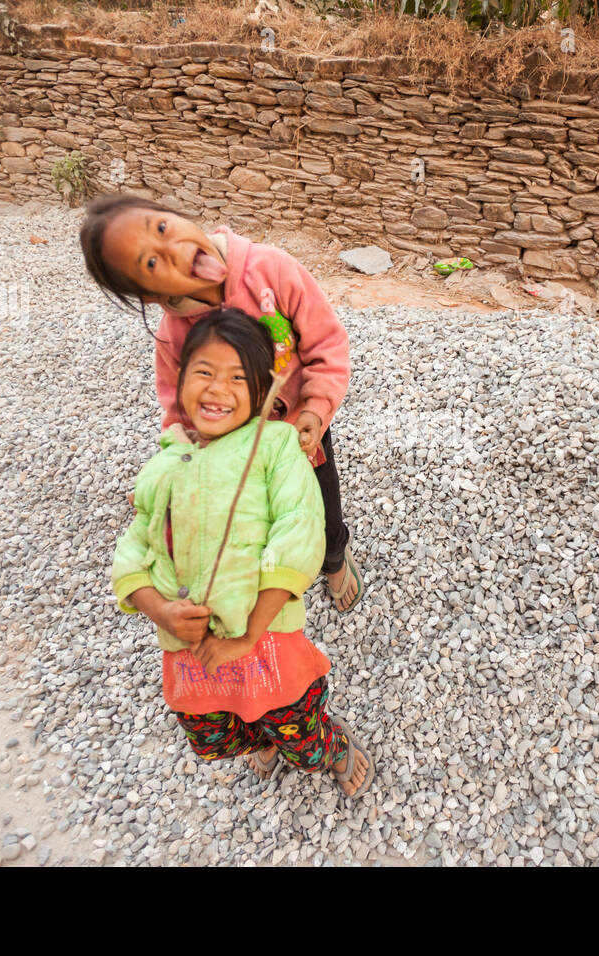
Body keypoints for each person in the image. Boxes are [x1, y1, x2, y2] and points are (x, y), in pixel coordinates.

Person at [111, 308, 373, 795]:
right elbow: (133, 549)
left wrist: (248, 633)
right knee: (218, 734)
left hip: (266, 641)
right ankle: (258, 742)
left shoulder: (275, 446)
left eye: (238, 377)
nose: (217, 388)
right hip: (192, 655)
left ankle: (331, 749)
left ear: (263, 392)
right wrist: (160, 610)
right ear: (180, 379)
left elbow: (299, 531)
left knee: (299, 730)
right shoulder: (165, 461)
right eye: (204, 372)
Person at [82, 194, 363, 613]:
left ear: (176, 215)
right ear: (151, 296)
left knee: (320, 507)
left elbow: (327, 342)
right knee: (254, 519)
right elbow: (179, 409)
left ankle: (333, 560)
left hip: (301, 430)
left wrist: (315, 409)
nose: (173, 248)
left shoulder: (271, 270)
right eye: (152, 263)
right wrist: (180, 466)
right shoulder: (174, 335)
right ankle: (267, 581)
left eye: (162, 228)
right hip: (233, 450)